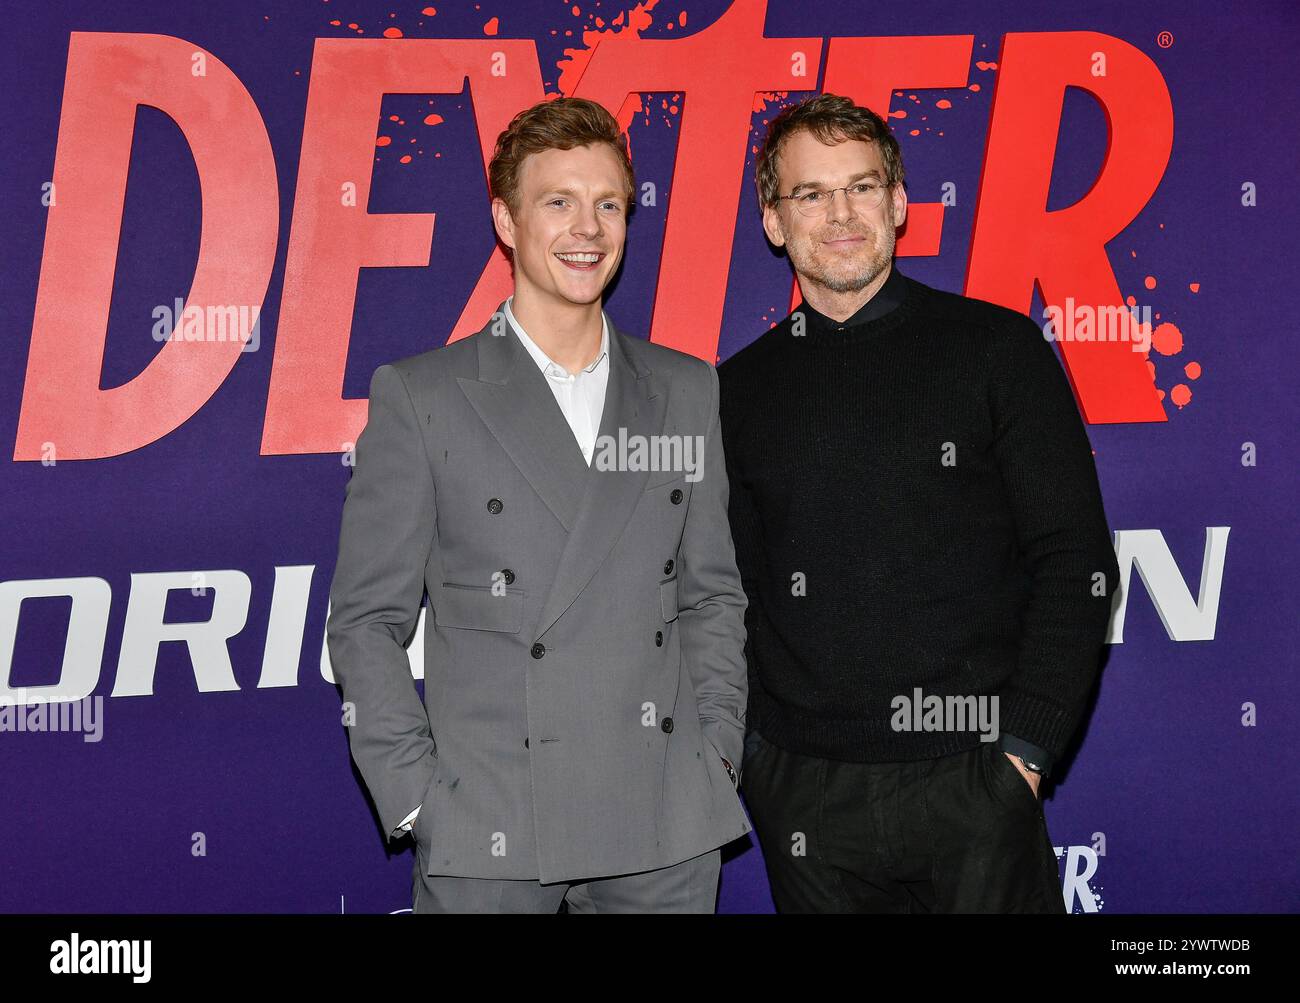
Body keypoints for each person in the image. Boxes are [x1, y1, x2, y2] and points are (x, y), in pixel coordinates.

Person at [326, 97, 750, 913]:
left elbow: (712, 595)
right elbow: (365, 621)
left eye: (608, 203)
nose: (586, 228)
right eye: (557, 202)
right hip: (489, 823)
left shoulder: (686, 390)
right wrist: (416, 795)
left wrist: (715, 754)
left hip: (662, 821)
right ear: (506, 220)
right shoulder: (424, 396)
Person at [719, 94, 1120, 913]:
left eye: (862, 187)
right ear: (773, 220)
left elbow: (1075, 560)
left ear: (900, 204)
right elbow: (727, 592)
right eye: (810, 194)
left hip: (977, 777)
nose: (840, 214)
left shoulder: (996, 351)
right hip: (807, 795)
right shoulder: (735, 391)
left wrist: (1025, 752)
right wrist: (762, 757)